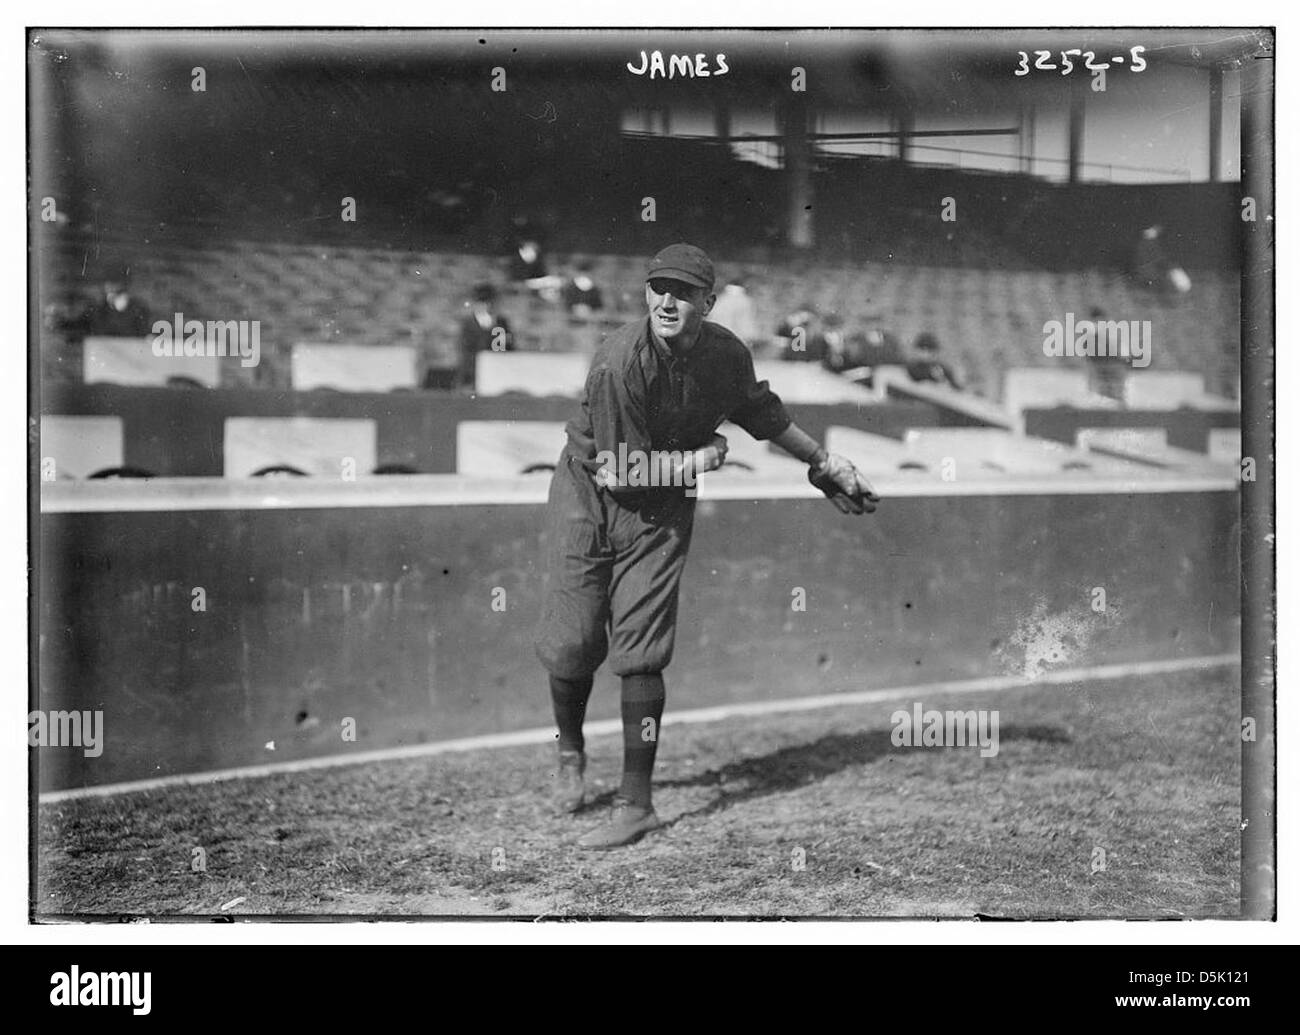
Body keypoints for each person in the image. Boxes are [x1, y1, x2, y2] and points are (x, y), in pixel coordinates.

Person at [534, 243, 880, 849]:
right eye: (658, 289)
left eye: (683, 292)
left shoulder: (724, 353)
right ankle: (570, 750)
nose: (667, 301)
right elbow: (619, 472)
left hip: (660, 508)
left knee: (641, 652)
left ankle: (635, 803)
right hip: (589, 494)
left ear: (708, 302)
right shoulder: (620, 360)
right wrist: (701, 457)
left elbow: (761, 413)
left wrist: (823, 461)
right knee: (571, 645)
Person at [456, 283, 513, 391]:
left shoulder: (501, 323)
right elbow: (466, 352)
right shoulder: (469, 324)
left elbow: (505, 348)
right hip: (472, 375)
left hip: (498, 373)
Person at [708, 275, 760, 348]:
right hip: (736, 343)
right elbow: (747, 328)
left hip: (716, 341)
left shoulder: (720, 299)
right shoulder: (745, 301)